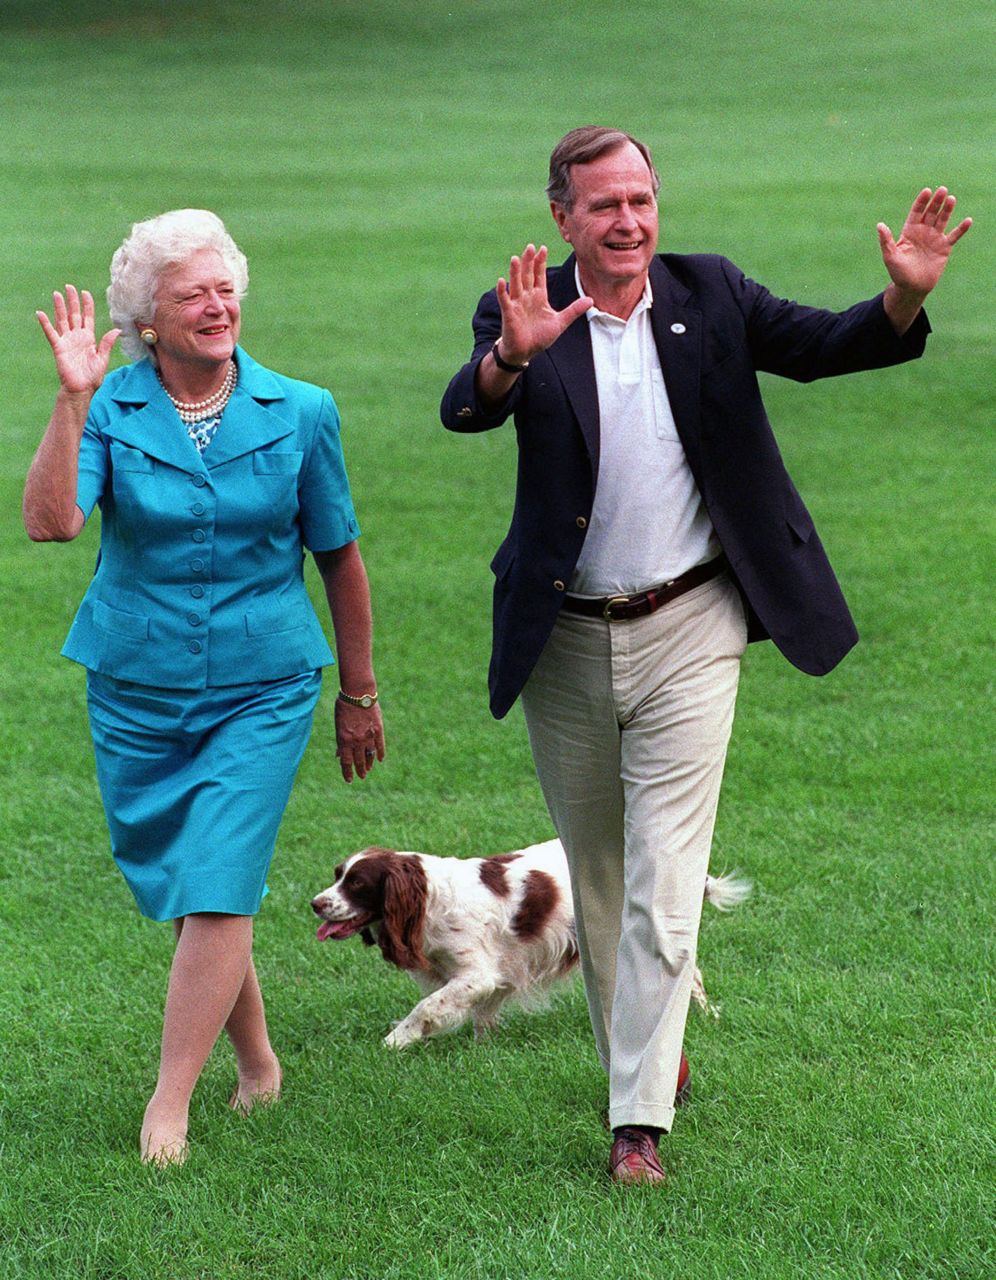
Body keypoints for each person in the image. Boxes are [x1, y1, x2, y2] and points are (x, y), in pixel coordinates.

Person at [440, 127, 971, 1184]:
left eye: (641, 199)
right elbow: (467, 405)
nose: (629, 221)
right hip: (566, 636)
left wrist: (904, 297)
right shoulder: (526, 306)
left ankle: (636, 1117)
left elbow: (827, 343)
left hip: (694, 620)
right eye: (604, 206)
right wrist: (513, 353)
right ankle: (649, 1048)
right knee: (596, 875)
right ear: (563, 218)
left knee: (666, 876)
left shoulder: (711, 291)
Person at [24, 209, 385, 1167]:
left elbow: (339, 557)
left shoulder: (301, 410)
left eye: (226, 289)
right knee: (194, 886)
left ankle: (168, 1106)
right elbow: (53, 524)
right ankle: (259, 1061)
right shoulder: (111, 407)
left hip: (264, 685)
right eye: (193, 294)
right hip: (135, 685)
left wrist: (359, 692)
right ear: (149, 318)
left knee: (221, 881)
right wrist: (69, 402)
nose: (217, 306)